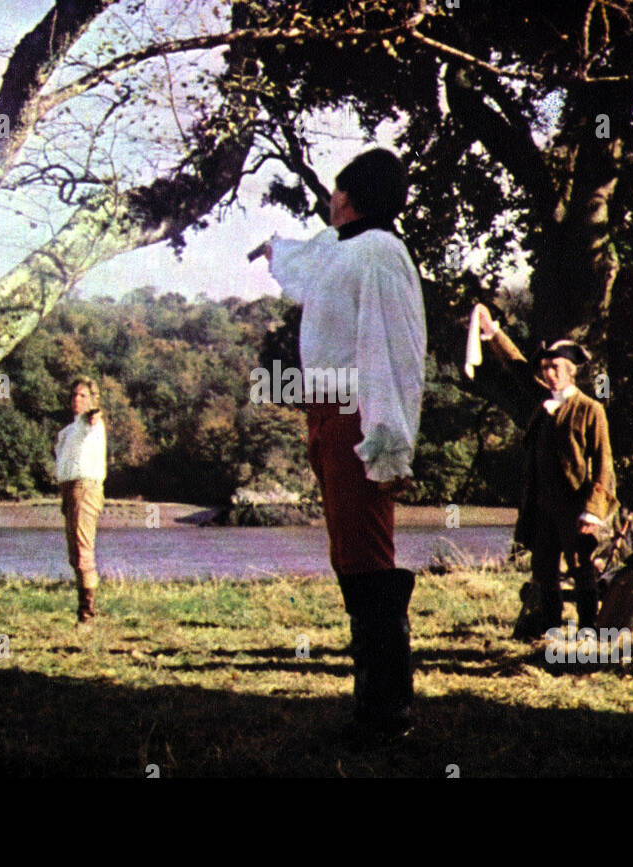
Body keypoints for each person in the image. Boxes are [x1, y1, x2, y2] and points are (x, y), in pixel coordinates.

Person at [263, 148, 426, 740]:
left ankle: (386, 709)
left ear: (348, 197)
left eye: (334, 191)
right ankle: (376, 699)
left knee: (366, 558)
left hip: (359, 413)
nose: (328, 200)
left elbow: (387, 350)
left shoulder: (380, 254)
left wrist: (386, 439)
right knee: (349, 555)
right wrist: (275, 251)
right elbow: (308, 263)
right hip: (329, 412)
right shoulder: (348, 248)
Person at [475, 314, 617, 638]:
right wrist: (492, 332)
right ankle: (550, 631)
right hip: (542, 508)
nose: (549, 374)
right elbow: (517, 365)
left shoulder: (590, 409)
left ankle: (588, 630)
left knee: (582, 570)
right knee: (544, 570)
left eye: (556, 368)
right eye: (545, 369)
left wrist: (593, 512)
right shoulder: (543, 404)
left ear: (571, 371)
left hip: (576, 506)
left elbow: (604, 465)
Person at [55, 376, 107, 629]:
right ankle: (83, 613)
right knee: (75, 554)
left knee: (83, 552)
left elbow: (93, 417)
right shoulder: (69, 430)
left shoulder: (91, 424)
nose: (77, 399)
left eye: (83, 395)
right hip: (69, 490)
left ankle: (87, 617)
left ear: (93, 399)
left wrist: (94, 412)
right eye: (74, 395)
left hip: (84, 488)